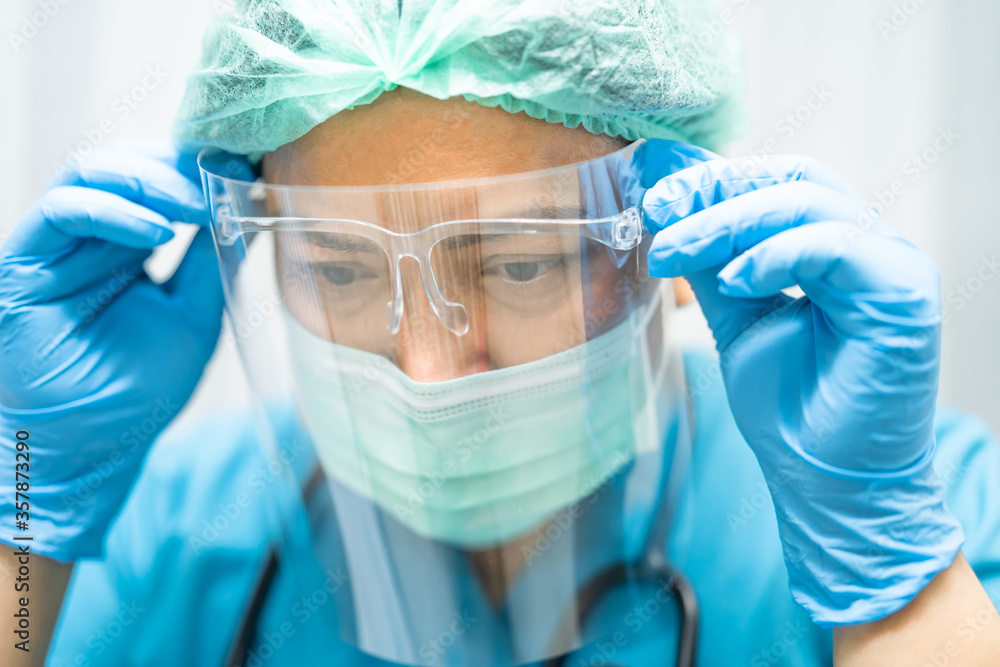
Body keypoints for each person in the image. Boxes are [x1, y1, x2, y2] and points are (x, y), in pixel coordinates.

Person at [2, 2, 1000, 666]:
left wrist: (894, 590)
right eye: (341, 269)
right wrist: (22, 503)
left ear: (674, 226)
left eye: (519, 262)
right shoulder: (176, 531)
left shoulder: (926, 511)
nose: (430, 371)